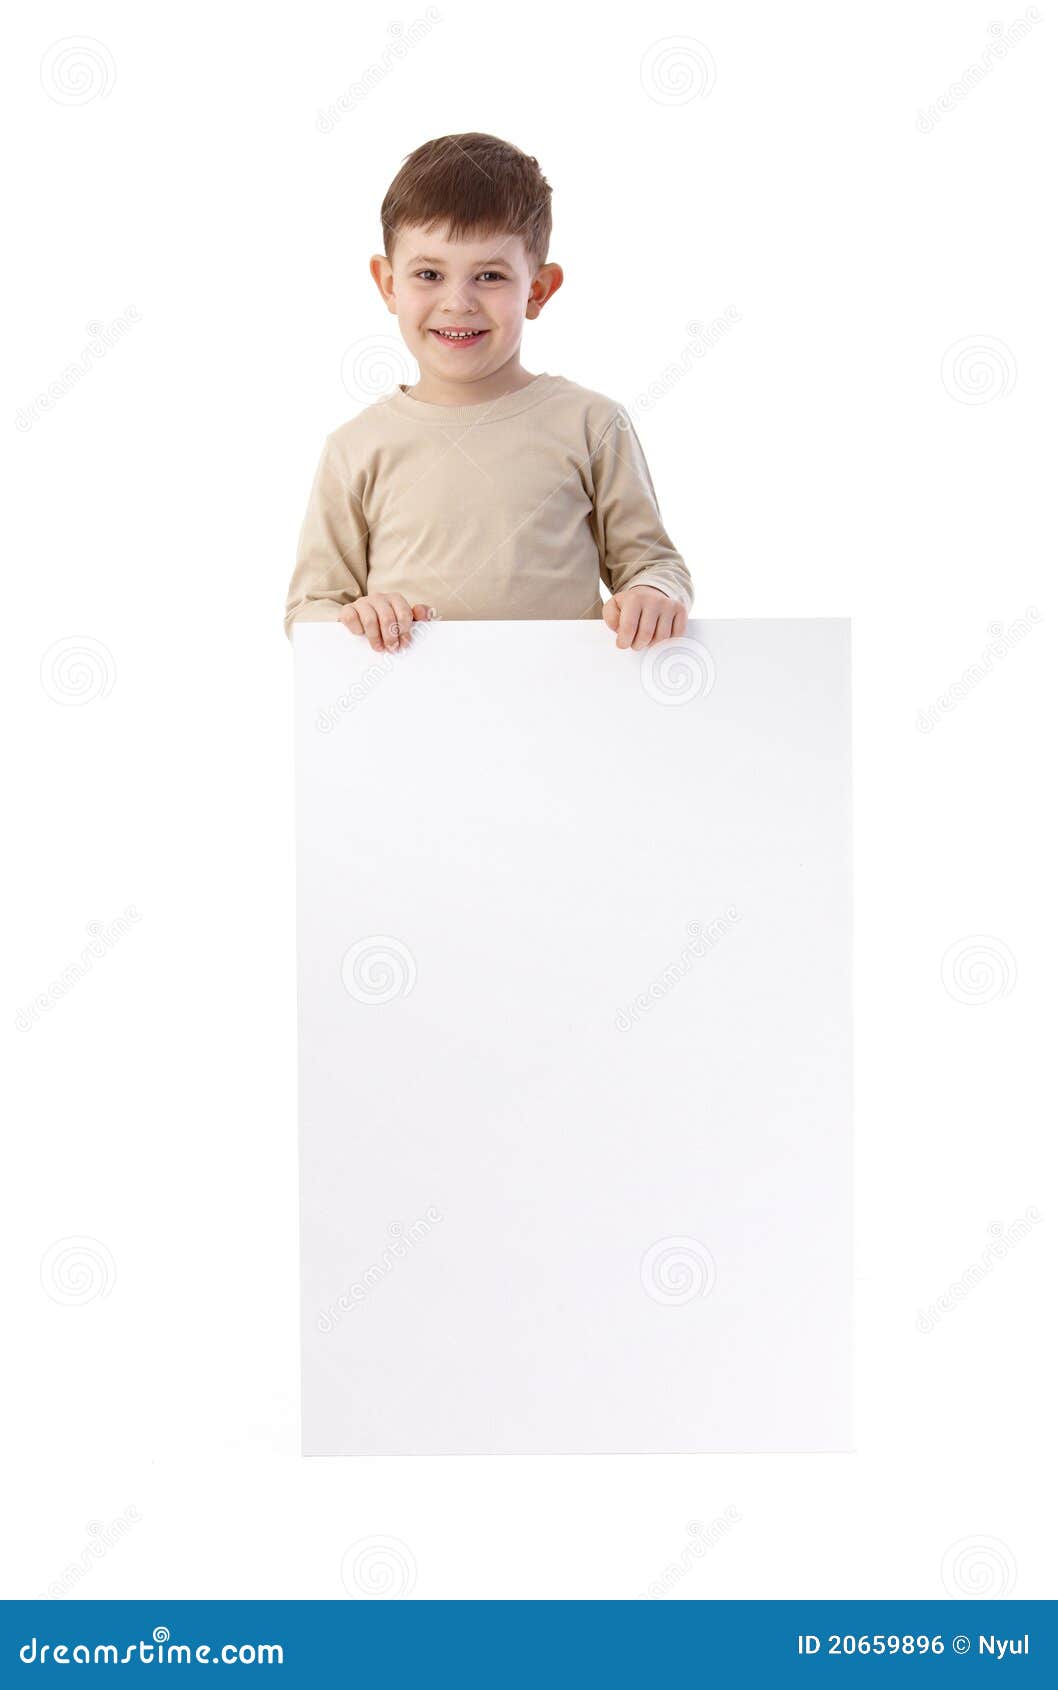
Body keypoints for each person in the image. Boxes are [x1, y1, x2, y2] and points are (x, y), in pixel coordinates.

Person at [284, 131, 693, 653]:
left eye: (490, 275)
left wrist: (652, 594)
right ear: (388, 285)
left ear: (538, 290)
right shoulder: (355, 448)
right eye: (429, 273)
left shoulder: (592, 424)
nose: (458, 302)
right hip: (408, 722)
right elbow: (309, 610)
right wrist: (357, 616)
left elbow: (653, 564)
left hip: (569, 716)